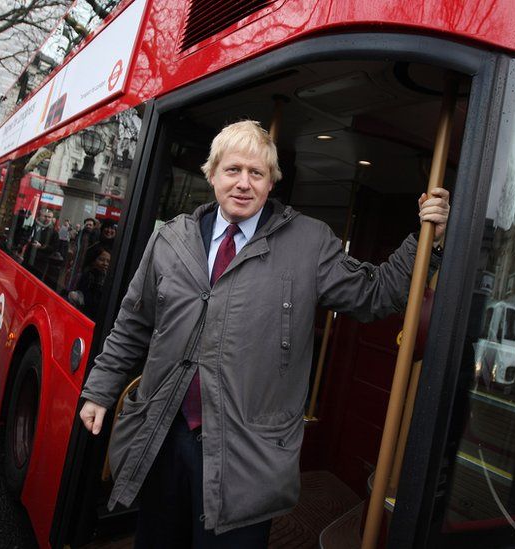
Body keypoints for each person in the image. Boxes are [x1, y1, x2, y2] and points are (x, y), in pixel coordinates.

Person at [77, 120, 450, 547]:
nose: (243, 183)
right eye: (233, 170)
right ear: (212, 173)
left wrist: (428, 243)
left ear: (271, 182)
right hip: (164, 438)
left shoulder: (309, 242)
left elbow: (374, 295)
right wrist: (100, 390)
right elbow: (133, 323)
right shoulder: (172, 239)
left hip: (247, 459)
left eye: (256, 173)